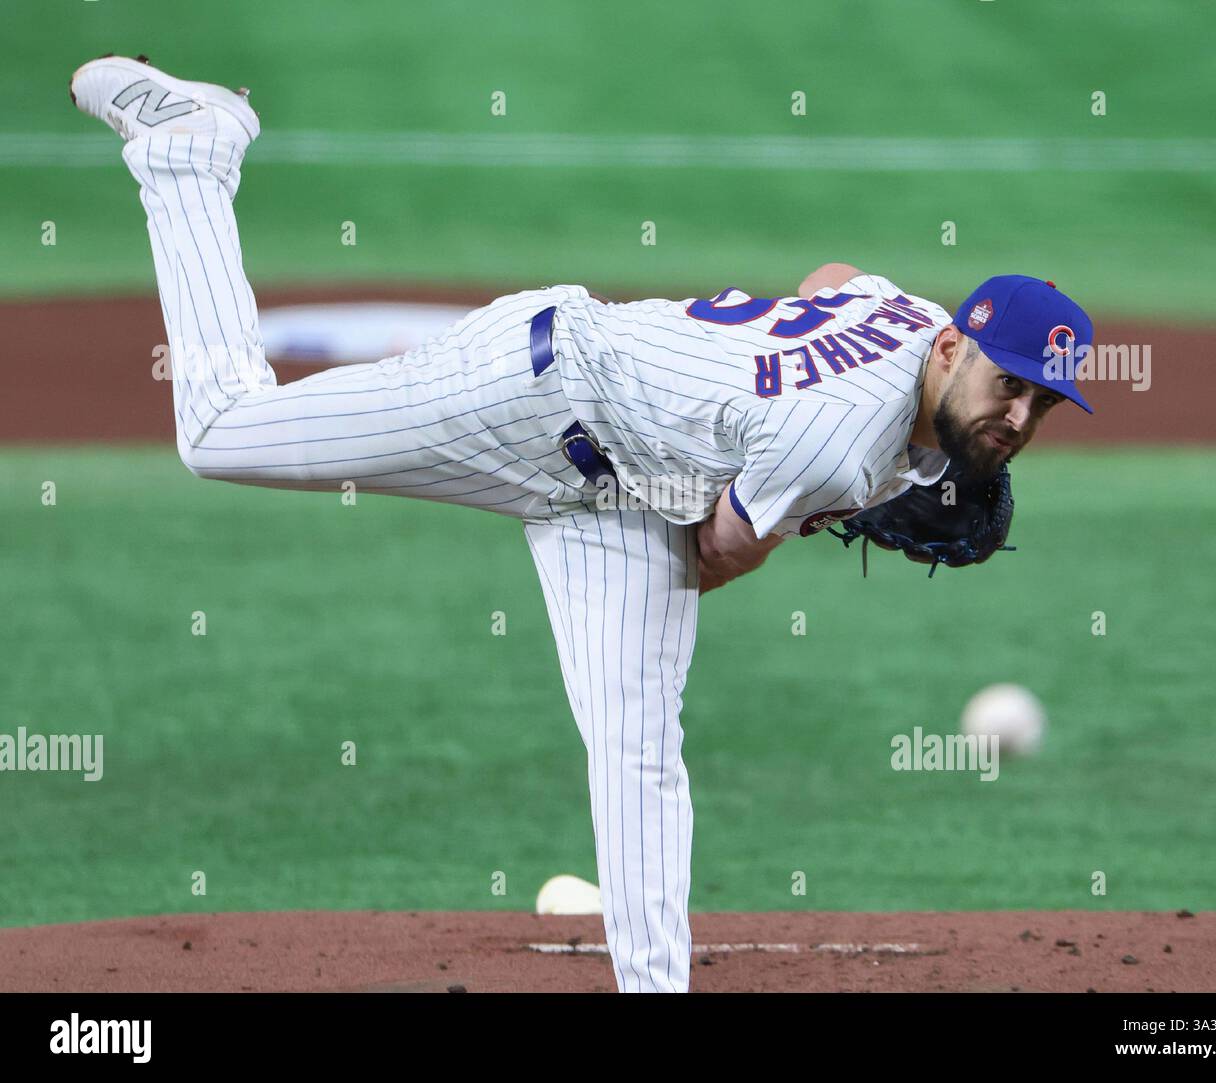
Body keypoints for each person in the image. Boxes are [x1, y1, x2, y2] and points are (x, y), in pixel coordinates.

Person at [70, 54, 1093, 993]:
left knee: (637, 742)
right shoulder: (838, 438)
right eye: (1011, 387)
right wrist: (828, 493)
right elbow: (718, 550)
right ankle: (189, 153)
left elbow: (829, 281)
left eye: (1040, 405)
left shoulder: (910, 316)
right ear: (957, 350)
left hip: (619, 482)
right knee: (220, 432)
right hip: (520, 394)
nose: (1017, 418)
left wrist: (764, 422)